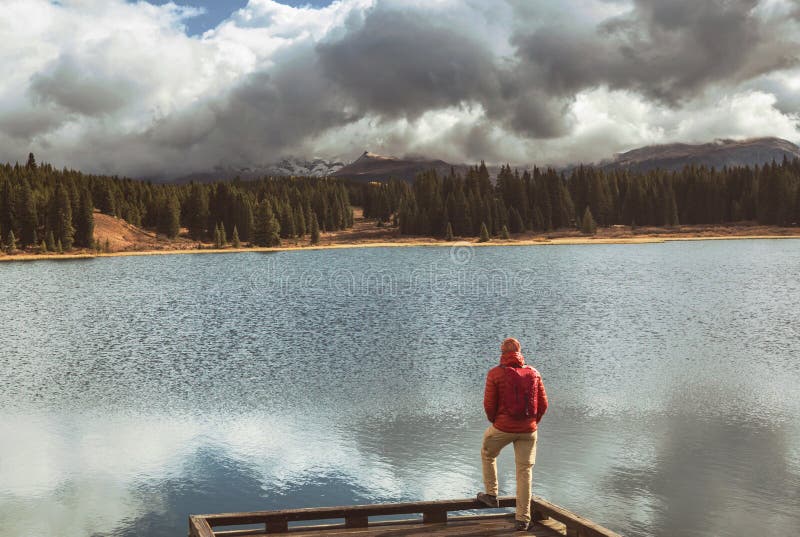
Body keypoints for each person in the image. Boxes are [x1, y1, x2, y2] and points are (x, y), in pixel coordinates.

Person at [477, 337, 548, 531]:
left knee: (487, 453)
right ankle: (523, 519)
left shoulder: (495, 373)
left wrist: (496, 422)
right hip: (529, 430)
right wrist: (533, 422)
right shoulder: (534, 373)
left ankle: (491, 495)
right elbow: (543, 404)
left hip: (503, 428)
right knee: (524, 471)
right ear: (520, 352)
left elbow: (489, 405)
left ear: (502, 354)